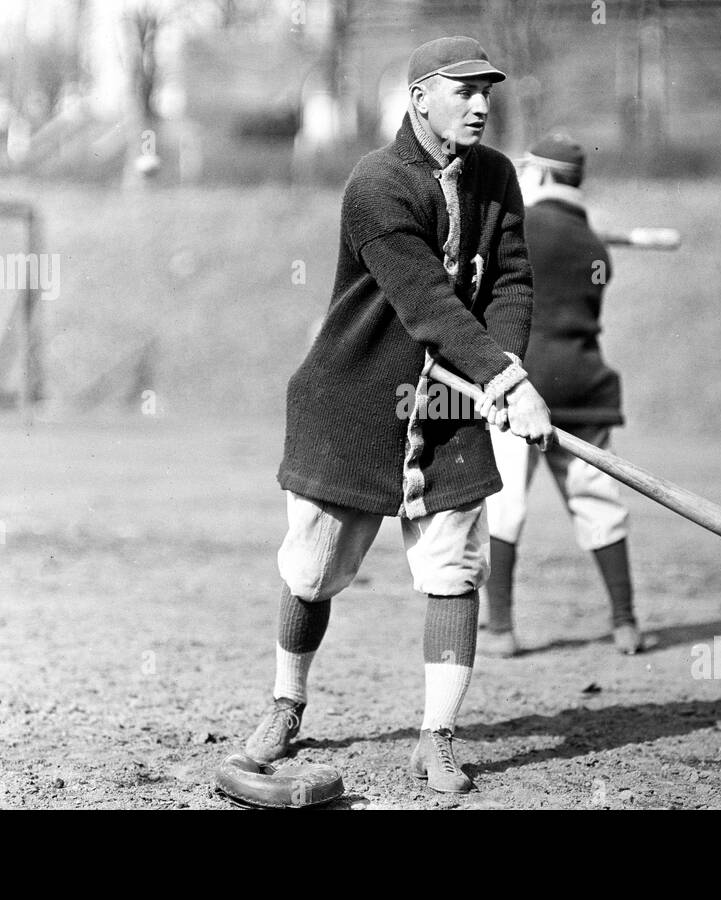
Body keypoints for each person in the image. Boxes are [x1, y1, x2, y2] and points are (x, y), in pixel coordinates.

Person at [238, 36, 553, 795]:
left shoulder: (498, 177)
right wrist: (506, 382)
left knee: (454, 569)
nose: (481, 105)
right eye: (463, 91)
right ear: (418, 98)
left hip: (448, 407)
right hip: (350, 400)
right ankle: (287, 703)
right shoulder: (374, 183)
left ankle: (436, 738)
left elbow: (509, 283)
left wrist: (498, 374)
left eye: (488, 92)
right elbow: (427, 302)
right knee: (312, 570)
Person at [480, 135, 643, 658]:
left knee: (505, 503)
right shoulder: (592, 244)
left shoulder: (518, 225)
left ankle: (501, 628)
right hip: (583, 384)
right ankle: (625, 623)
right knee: (598, 500)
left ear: (544, 176)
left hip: (520, 384)